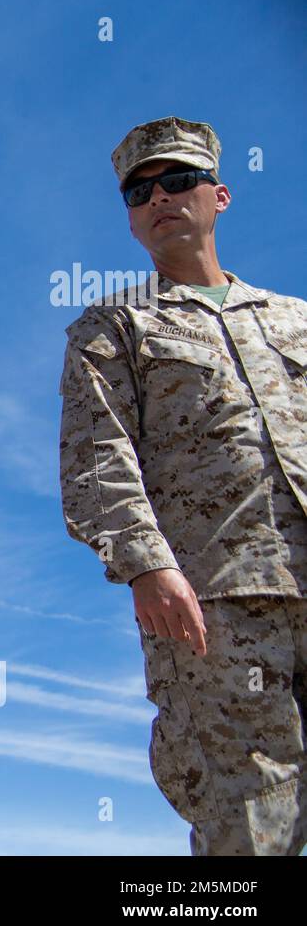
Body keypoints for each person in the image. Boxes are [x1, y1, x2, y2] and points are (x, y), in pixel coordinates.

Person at [59, 116, 307, 855]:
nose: (159, 198)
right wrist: (147, 565)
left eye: (176, 180)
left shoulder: (296, 320)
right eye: (139, 192)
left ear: (219, 195)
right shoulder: (114, 327)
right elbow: (96, 457)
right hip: (216, 599)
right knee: (250, 816)